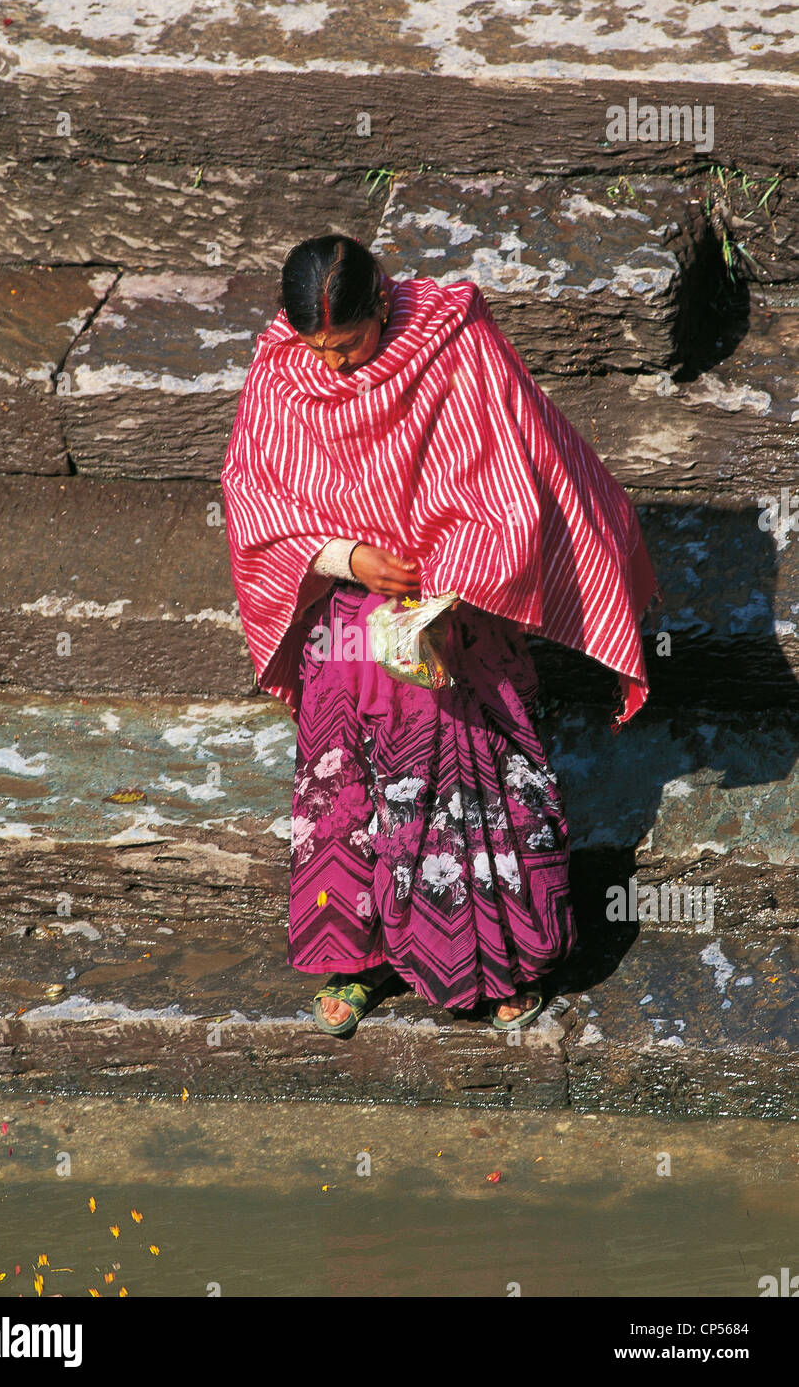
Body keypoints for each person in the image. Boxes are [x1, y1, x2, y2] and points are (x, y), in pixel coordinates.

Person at [222, 234, 660, 1038]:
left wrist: (440, 584)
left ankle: (497, 965)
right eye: (320, 350)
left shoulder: (456, 345)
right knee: (347, 796)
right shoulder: (283, 369)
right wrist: (346, 555)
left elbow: (508, 479)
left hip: (455, 612)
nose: (337, 369)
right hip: (347, 626)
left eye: (348, 347)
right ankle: (356, 960)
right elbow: (254, 495)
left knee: (471, 787)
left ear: (382, 305)